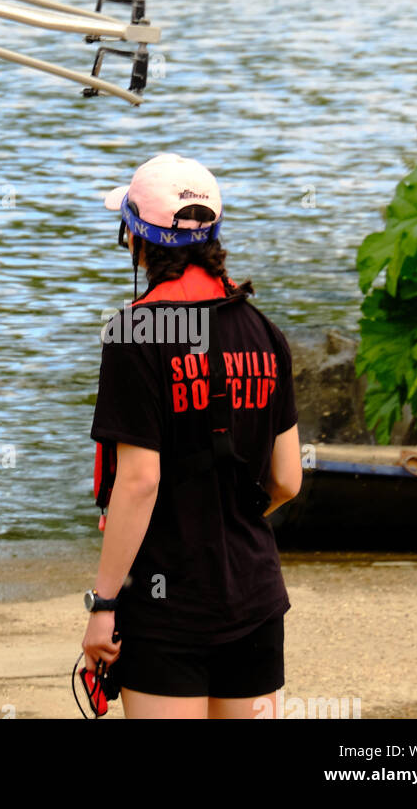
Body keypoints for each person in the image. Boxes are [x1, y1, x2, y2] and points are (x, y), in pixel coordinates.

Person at [82, 154, 302, 720]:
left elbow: (137, 482)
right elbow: (286, 479)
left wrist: (103, 604)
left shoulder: (135, 333)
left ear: (135, 238)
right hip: (253, 596)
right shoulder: (264, 331)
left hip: (166, 604)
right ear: (214, 236)